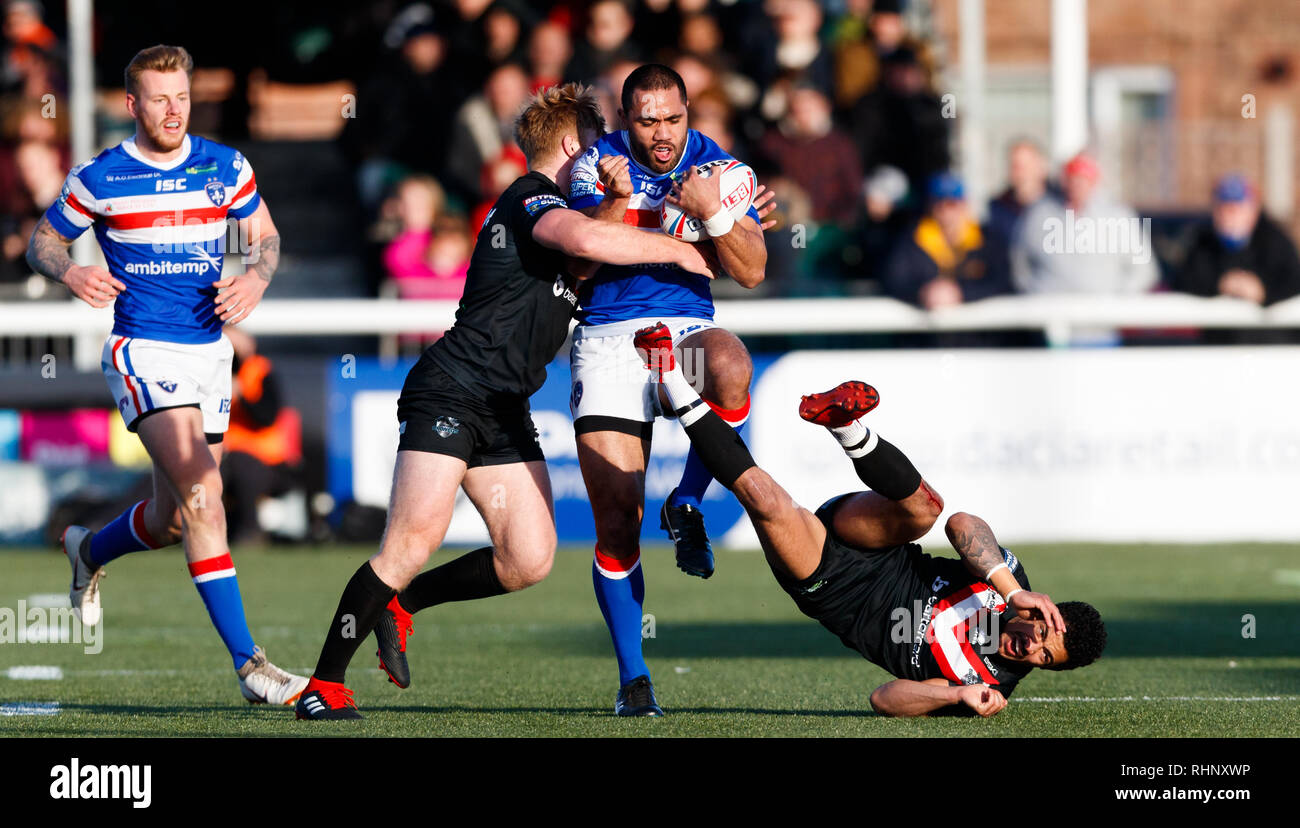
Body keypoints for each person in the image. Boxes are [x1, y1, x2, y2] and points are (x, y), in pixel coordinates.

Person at [294, 82, 719, 720]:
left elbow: (585, 257)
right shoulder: (531, 198)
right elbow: (584, 244)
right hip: (454, 389)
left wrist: (631, 200)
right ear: (574, 145)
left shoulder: (573, 208)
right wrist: (686, 251)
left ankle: (403, 605)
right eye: (597, 143)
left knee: (529, 558)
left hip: (504, 405)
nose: (608, 153)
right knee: (408, 546)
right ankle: (323, 688)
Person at [629, 322, 1108, 717]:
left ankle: (668, 370)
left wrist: (954, 694)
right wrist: (1011, 589)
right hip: (878, 544)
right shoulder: (1009, 586)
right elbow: (963, 525)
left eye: (1045, 657)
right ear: (1045, 611)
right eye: (1044, 634)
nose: (1032, 647)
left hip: (834, 586)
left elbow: (883, 699)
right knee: (927, 508)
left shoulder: (988, 686)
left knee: (764, 498)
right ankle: (844, 425)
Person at [26, 45, 306, 705]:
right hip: (144, 352)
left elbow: (265, 237)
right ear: (132, 105)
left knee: (174, 518)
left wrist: (256, 280)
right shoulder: (101, 176)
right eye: (159, 97)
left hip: (211, 354)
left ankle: (89, 552)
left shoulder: (225, 164)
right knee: (206, 497)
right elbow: (44, 239)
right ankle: (252, 668)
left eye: (181, 95)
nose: (173, 109)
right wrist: (69, 270)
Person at [566, 63, 769, 716]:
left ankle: (686, 503)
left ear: (690, 110)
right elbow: (574, 264)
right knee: (617, 521)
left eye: (673, 118)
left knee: (731, 364)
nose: (662, 133)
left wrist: (712, 216)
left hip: (684, 329)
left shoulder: (725, 172)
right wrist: (611, 207)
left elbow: (753, 270)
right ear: (627, 117)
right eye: (647, 120)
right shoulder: (593, 167)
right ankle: (633, 680)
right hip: (605, 340)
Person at [1174, 173, 1300, 307]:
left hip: (1268, 327)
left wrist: (1262, 292)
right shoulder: (1203, 242)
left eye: (1236, 209)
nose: (1229, 217)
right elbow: (1183, 282)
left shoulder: (1275, 242)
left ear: (1254, 210)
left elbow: (1293, 282)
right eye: (1223, 209)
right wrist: (1221, 284)